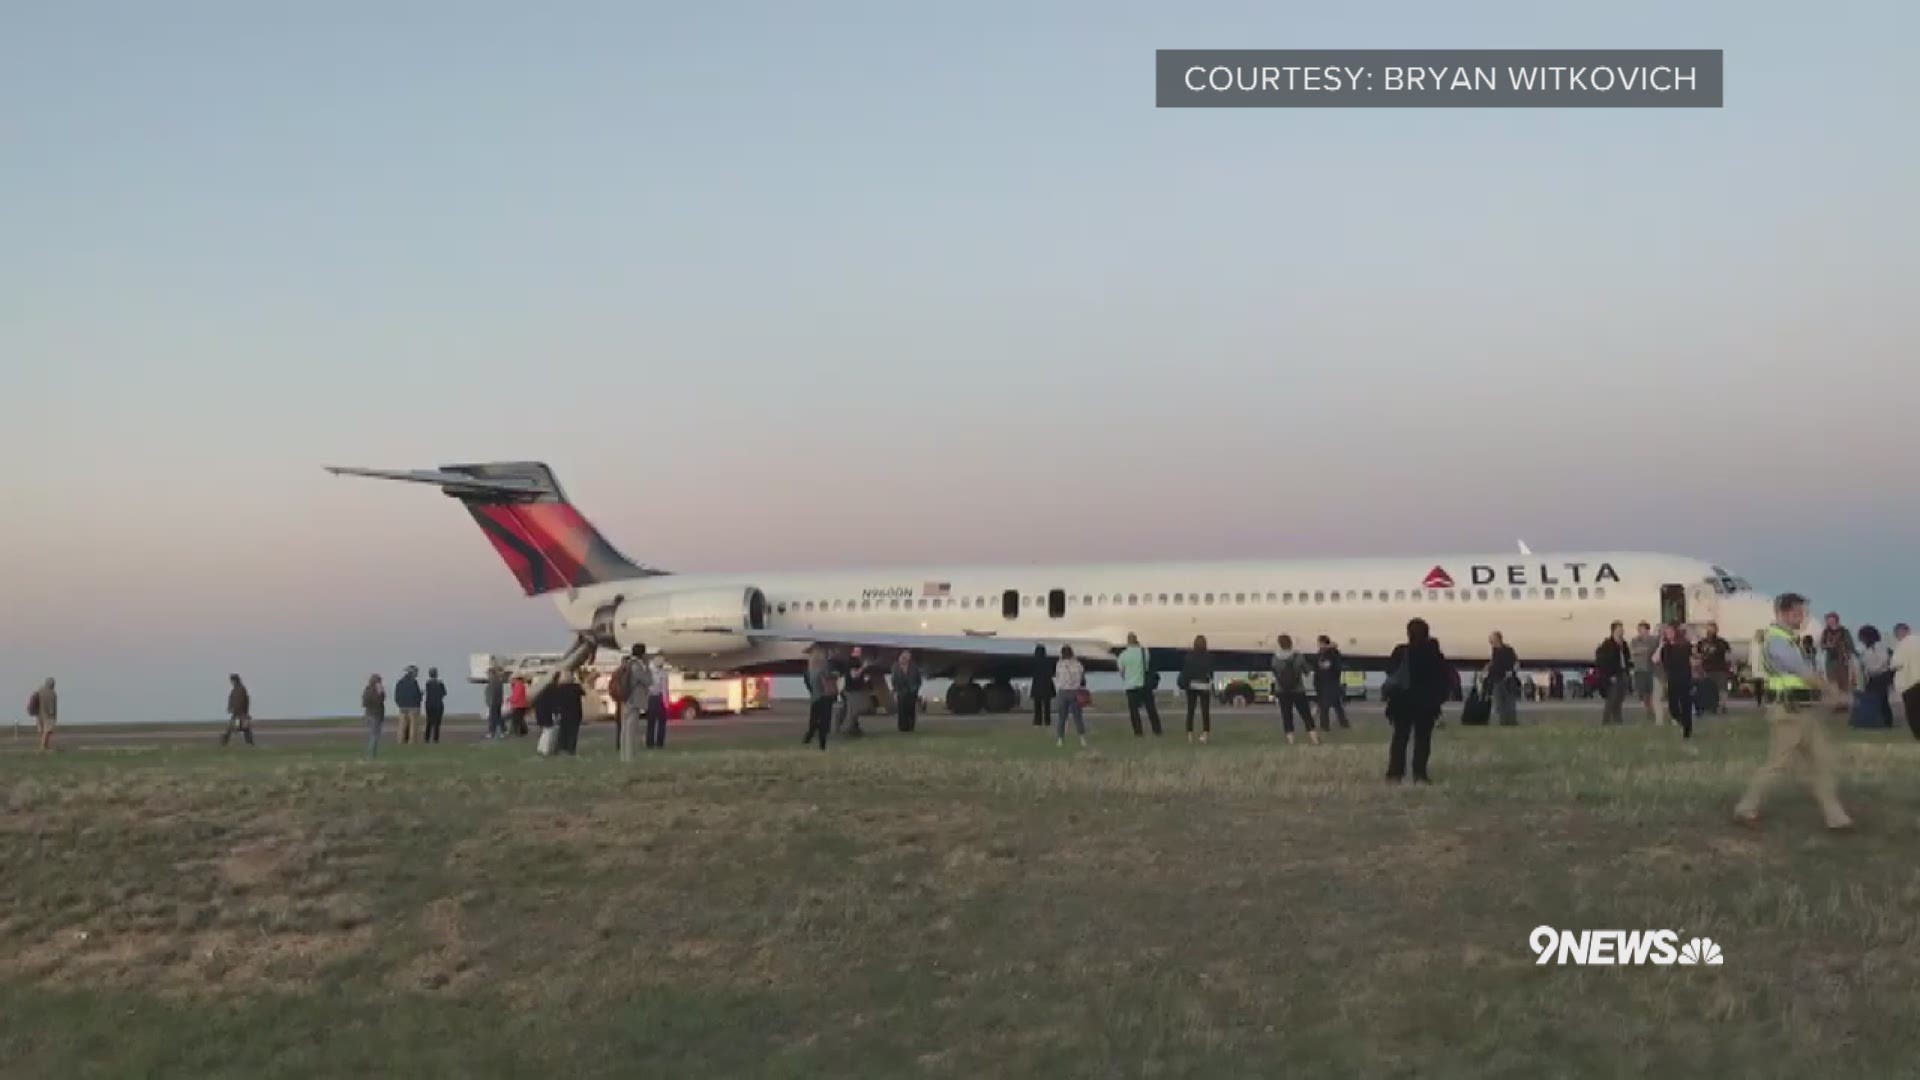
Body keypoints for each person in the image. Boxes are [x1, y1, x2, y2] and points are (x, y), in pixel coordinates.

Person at [1734, 593, 1853, 832]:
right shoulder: (1777, 640)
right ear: (1784, 613)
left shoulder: (1790, 639)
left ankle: (1836, 818)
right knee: (1777, 765)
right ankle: (1746, 809)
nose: (1802, 618)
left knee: (1822, 762)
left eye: (1803, 613)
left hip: (1803, 712)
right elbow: (1800, 671)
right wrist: (1830, 689)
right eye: (1798, 613)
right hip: (1787, 713)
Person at [1384, 618, 1448, 783]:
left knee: (1399, 738)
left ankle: (1395, 773)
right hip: (1426, 703)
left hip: (1402, 702)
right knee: (1423, 740)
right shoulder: (1433, 653)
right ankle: (1420, 774)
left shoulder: (1401, 651)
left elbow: (1390, 671)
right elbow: (1442, 676)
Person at [1271, 634, 1318, 745]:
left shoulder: (1275, 658)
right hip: (1298, 690)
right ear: (1291, 642)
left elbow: (1275, 672)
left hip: (1282, 690)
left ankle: (1291, 741)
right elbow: (1307, 671)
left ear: (1280, 644)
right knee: (1306, 715)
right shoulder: (1298, 656)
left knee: (1286, 715)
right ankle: (1314, 739)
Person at [1117, 633, 1162, 737]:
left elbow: (1122, 672)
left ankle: (1138, 732)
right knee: (1151, 710)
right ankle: (1157, 730)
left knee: (1134, 712)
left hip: (1131, 686)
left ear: (1127, 642)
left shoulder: (1123, 655)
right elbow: (1146, 667)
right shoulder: (1144, 652)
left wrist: (1127, 678)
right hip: (1144, 685)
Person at [1657, 624, 1696, 739]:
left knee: (1686, 705)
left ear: (1675, 632)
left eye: (1670, 632)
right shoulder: (1665, 648)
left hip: (1685, 679)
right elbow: (1657, 660)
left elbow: (1695, 653)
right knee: (1673, 708)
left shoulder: (1685, 645)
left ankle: (1687, 731)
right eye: (1666, 633)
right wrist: (1660, 645)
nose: (1668, 634)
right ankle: (1683, 722)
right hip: (1672, 679)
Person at [618, 645, 653, 762]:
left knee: (625, 728)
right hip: (634, 699)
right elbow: (648, 680)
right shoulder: (636, 666)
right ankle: (629, 757)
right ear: (642, 654)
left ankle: (624, 755)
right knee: (631, 730)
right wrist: (647, 666)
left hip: (627, 698)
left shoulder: (628, 664)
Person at [1180, 636, 1214, 743]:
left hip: (1192, 685)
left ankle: (1189, 734)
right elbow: (1210, 672)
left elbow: (1186, 671)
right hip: (1204, 685)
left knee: (1190, 710)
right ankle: (1205, 734)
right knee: (1205, 711)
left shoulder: (1189, 656)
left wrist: (1185, 683)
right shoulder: (1208, 656)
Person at [1858, 626, 1894, 729]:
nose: (1861, 640)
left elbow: (1883, 661)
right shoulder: (1866, 649)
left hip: (1882, 675)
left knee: (1882, 699)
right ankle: (1874, 721)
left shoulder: (1880, 647)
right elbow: (1865, 664)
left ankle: (1887, 722)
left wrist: (1873, 669)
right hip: (1872, 677)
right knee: (1871, 698)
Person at [1820, 613, 1857, 713]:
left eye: (1832, 619)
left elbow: (1850, 644)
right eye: (1828, 620)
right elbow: (1822, 645)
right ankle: (1836, 704)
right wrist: (1827, 646)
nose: (1830, 622)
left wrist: (1853, 654)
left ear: (1836, 620)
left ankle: (1844, 704)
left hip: (1842, 660)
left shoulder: (1844, 631)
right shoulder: (1826, 632)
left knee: (1843, 683)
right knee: (1833, 683)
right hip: (1831, 661)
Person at [1314, 635, 1352, 732]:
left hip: (1329, 682)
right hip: (1328, 682)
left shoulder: (1329, 654)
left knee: (1325, 706)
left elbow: (1322, 668)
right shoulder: (1325, 653)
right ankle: (1343, 723)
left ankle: (1325, 725)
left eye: (1319, 643)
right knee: (1336, 705)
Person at [1053, 645, 1088, 747]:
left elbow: (1057, 676)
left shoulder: (1059, 664)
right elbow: (1082, 679)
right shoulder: (1078, 664)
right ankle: (1082, 739)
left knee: (1062, 717)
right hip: (1075, 692)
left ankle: (1060, 739)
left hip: (1063, 691)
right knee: (1078, 717)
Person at [1596, 623, 1629, 725]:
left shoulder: (1623, 644)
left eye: (1622, 629)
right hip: (1613, 675)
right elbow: (1603, 661)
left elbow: (1626, 658)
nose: (1622, 631)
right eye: (1620, 629)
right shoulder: (1607, 644)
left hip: (1622, 673)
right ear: (1614, 630)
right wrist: (1609, 674)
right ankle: (1606, 722)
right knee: (1611, 700)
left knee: (1619, 699)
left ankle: (1618, 721)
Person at [802, 645, 835, 750]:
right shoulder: (825, 668)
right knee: (824, 721)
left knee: (814, 719)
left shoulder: (809, 671)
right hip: (825, 697)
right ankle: (821, 743)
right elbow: (828, 678)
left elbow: (808, 684)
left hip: (815, 697)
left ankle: (810, 735)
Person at [1695, 623, 1732, 715]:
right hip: (1706, 669)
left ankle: (1723, 706)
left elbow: (1728, 654)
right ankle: (1710, 706)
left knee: (1722, 688)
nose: (1709, 632)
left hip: (1720, 669)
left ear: (1716, 630)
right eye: (1708, 630)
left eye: (1711, 630)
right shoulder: (1702, 642)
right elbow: (1696, 653)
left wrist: (1729, 666)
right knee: (1708, 689)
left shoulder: (1721, 642)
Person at [1485, 632, 1520, 727]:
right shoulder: (1494, 651)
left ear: (1498, 640)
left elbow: (1516, 663)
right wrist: (1488, 666)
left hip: (1507, 680)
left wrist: (1511, 672)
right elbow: (1494, 663)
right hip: (1496, 679)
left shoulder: (1508, 650)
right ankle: (1503, 723)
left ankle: (1511, 722)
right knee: (1499, 703)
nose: (1490, 642)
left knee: (1509, 702)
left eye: (1492, 640)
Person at [1892, 624, 1919, 740]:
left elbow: (1896, 663)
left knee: (1913, 711)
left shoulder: (1902, 645)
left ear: (1898, 634)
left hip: (1910, 682)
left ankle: (1918, 735)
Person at [1629, 623, 1660, 723]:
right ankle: (1647, 713)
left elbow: (1657, 651)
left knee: (1651, 693)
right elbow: (1633, 652)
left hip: (1651, 670)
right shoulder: (1635, 640)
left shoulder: (1654, 640)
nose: (1640, 632)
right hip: (1640, 670)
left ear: (1647, 630)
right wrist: (1643, 650)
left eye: (1642, 629)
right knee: (1642, 694)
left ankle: (1651, 714)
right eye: (1639, 630)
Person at [552, 669, 586, 756]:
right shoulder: (576, 687)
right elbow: (583, 693)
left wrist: (556, 712)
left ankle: (561, 748)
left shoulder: (559, 688)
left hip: (564, 713)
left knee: (563, 731)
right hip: (575, 713)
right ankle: (571, 749)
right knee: (573, 732)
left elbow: (556, 702)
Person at [892, 651, 923, 733]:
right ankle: (902, 727)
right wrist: (896, 690)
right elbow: (894, 680)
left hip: (911, 692)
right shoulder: (896, 667)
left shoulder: (914, 667)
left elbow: (918, 680)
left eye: (906, 658)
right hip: (901, 692)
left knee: (911, 710)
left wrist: (915, 689)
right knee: (901, 710)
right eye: (903, 657)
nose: (904, 659)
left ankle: (910, 727)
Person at [221, 674, 255, 746]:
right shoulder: (236, 690)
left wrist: (244, 712)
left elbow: (244, 701)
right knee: (239, 728)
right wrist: (230, 708)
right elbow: (232, 700)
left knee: (239, 728)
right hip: (238, 714)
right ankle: (250, 743)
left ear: (235, 680)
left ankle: (224, 743)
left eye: (232, 680)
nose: (231, 682)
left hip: (240, 714)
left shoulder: (240, 689)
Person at [645, 653, 670, 749]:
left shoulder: (662, 672)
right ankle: (652, 742)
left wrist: (666, 702)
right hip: (653, 697)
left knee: (660, 722)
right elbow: (663, 688)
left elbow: (665, 689)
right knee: (653, 722)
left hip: (657, 698)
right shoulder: (651, 672)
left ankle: (657, 742)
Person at [394, 666, 423, 744]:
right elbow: (416, 694)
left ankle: (400, 741)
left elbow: (396, 695)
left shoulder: (400, 682)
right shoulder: (414, 682)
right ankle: (412, 742)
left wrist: (400, 704)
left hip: (402, 707)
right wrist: (420, 697)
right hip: (413, 707)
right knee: (413, 726)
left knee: (402, 726)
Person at [1028, 645, 1054, 728]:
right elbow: (1051, 672)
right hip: (1047, 685)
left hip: (1037, 685)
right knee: (1047, 706)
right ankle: (1047, 721)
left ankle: (1037, 722)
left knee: (1037, 706)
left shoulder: (1033, 662)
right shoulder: (1048, 661)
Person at [29, 677, 58, 752]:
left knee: (43, 732)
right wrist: (53, 716)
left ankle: (45, 746)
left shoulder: (40, 691)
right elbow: (52, 705)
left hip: (39, 714)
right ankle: (43, 747)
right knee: (47, 731)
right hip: (48, 715)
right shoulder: (52, 693)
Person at [361, 674, 386, 760]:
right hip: (374, 715)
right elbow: (379, 701)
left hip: (372, 714)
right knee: (374, 735)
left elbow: (382, 699)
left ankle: (373, 754)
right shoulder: (371, 691)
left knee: (375, 735)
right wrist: (380, 693)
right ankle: (371, 754)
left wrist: (381, 693)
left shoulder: (367, 690)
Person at [423, 667, 447, 744]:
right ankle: (435, 739)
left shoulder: (428, 684)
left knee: (429, 722)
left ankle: (426, 738)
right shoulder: (440, 683)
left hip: (429, 705)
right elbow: (444, 693)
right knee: (437, 723)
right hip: (438, 705)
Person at [483, 666, 507, 740]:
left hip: (494, 702)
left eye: (488, 673)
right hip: (497, 702)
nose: (487, 675)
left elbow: (493, 693)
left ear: (491, 673)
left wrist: (491, 702)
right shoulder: (497, 681)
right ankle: (502, 731)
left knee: (494, 718)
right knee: (497, 717)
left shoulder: (494, 681)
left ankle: (493, 732)